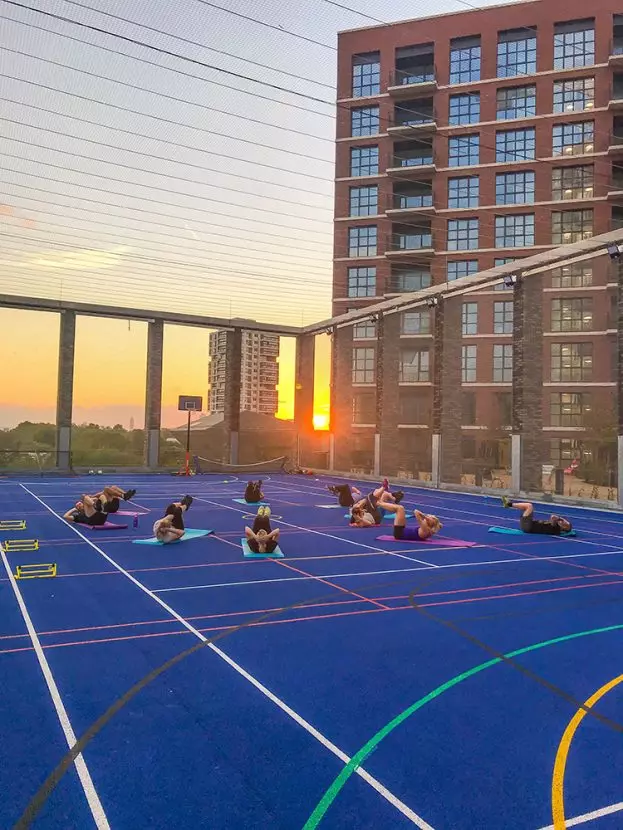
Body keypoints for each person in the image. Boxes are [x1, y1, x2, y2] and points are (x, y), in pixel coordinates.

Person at [501, 497, 572, 535]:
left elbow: (553, 517)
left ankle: (509, 504)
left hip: (528, 526)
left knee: (529, 506)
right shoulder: (556, 528)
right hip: (528, 525)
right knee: (526, 507)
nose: (564, 522)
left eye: (565, 523)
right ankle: (509, 505)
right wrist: (563, 521)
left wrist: (561, 519)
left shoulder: (556, 529)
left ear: (564, 527)